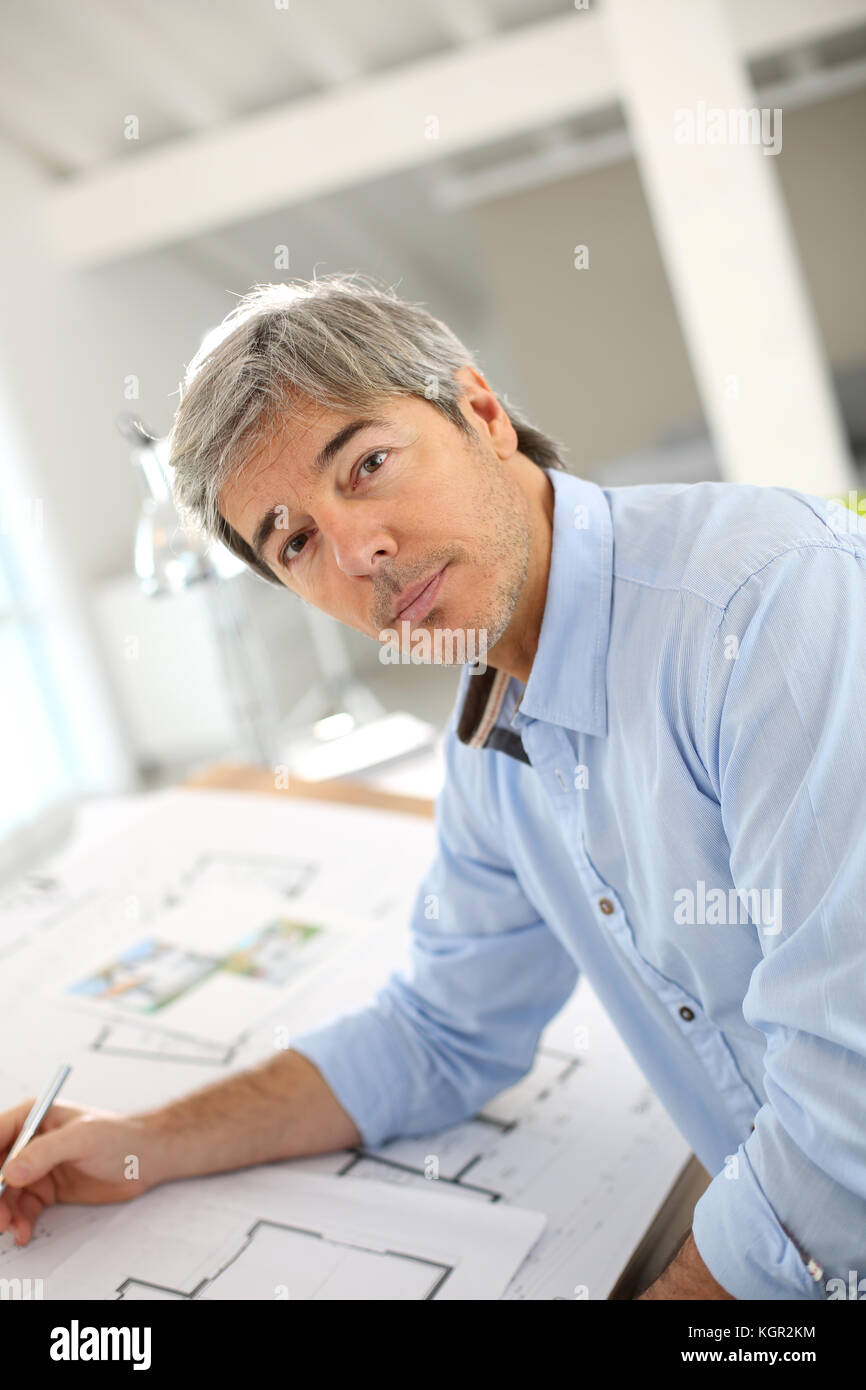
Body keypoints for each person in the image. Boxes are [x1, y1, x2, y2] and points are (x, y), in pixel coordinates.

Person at [2, 273, 864, 1301]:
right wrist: (142, 1142)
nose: (358, 552)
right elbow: (442, 1032)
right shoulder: (492, 722)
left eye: (365, 464)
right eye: (295, 540)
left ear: (482, 414)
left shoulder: (768, 604)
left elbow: (846, 1102)